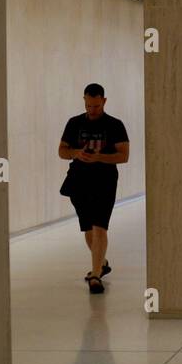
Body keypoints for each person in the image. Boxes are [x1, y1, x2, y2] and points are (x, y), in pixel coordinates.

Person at [58, 83, 130, 294]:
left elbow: (123, 156)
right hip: (79, 181)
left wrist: (99, 157)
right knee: (89, 228)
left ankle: (95, 275)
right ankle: (102, 263)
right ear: (84, 101)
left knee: (100, 227)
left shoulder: (115, 125)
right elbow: (62, 151)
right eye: (89, 105)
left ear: (104, 101)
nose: (92, 110)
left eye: (96, 106)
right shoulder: (74, 123)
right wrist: (76, 153)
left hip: (105, 181)